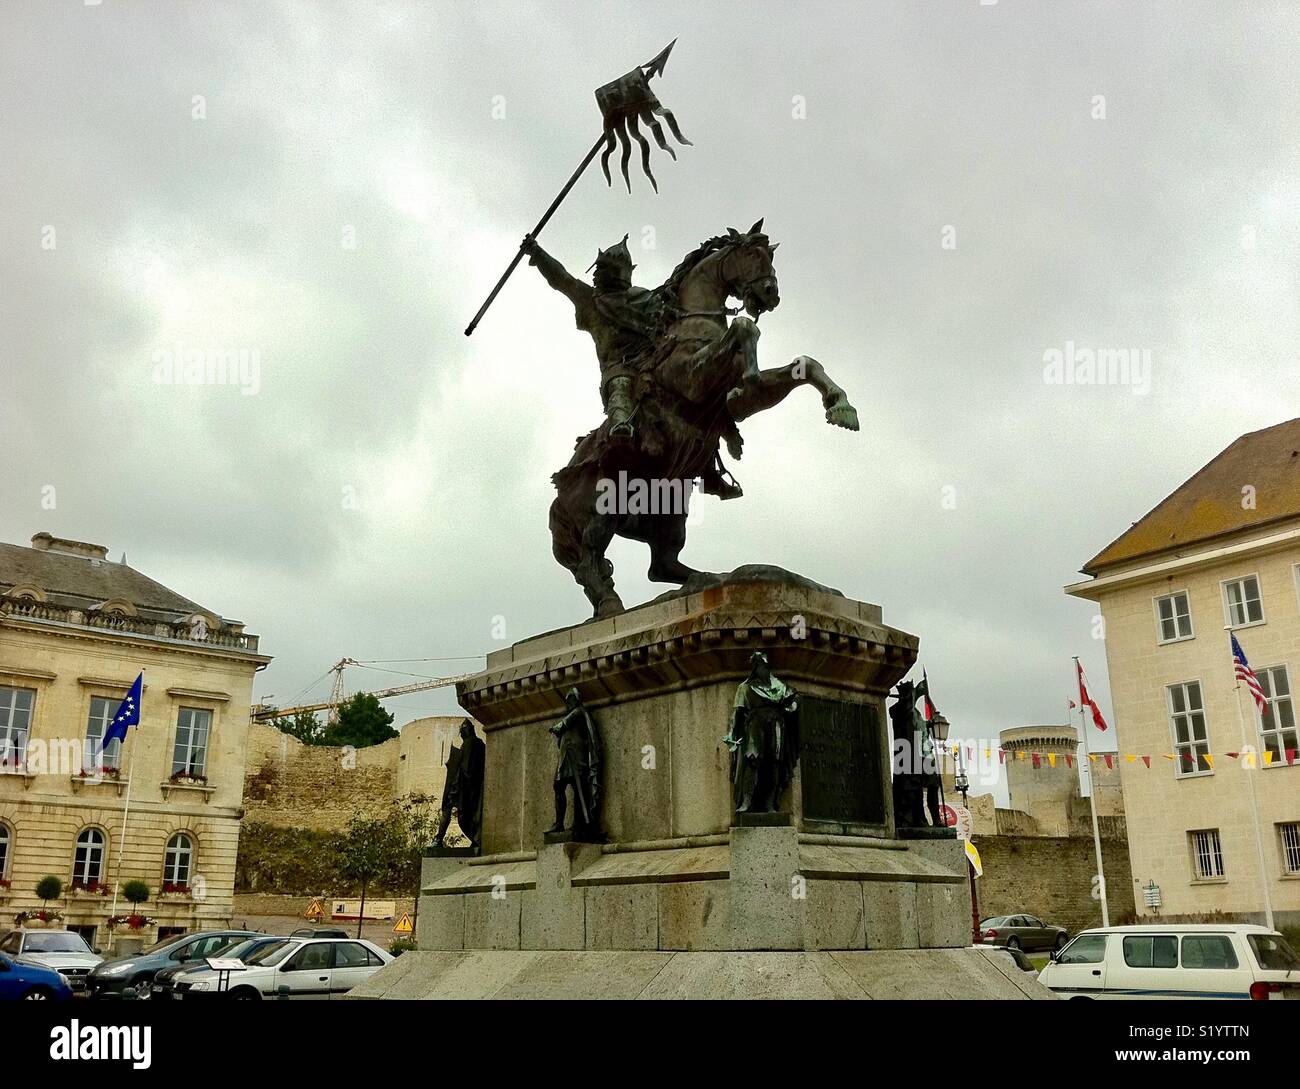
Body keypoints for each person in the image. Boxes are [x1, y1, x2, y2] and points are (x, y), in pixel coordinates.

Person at [723, 652, 800, 813]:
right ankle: (747, 801)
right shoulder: (746, 687)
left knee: (775, 763)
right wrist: (731, 733)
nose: (760, 669)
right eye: (757, 666)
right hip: (755, 724)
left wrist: (793, 706)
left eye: (762, 665)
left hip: (776, 723)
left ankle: (770, 803)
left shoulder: (780, 686)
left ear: (766, 666)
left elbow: (794, 698)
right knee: (752, 759)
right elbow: (737, 712)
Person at [546, 689, 602, 839]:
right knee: (558, 786)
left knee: (579, 790)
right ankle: (559, 823)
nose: (569, 702)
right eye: (568, 700)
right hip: (565, 758)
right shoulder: (575, 712)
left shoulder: (579, 712)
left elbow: (561, 726)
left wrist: (555, 728)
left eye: (571, 699)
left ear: (577, 700)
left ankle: (580, 824)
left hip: (577, 759)